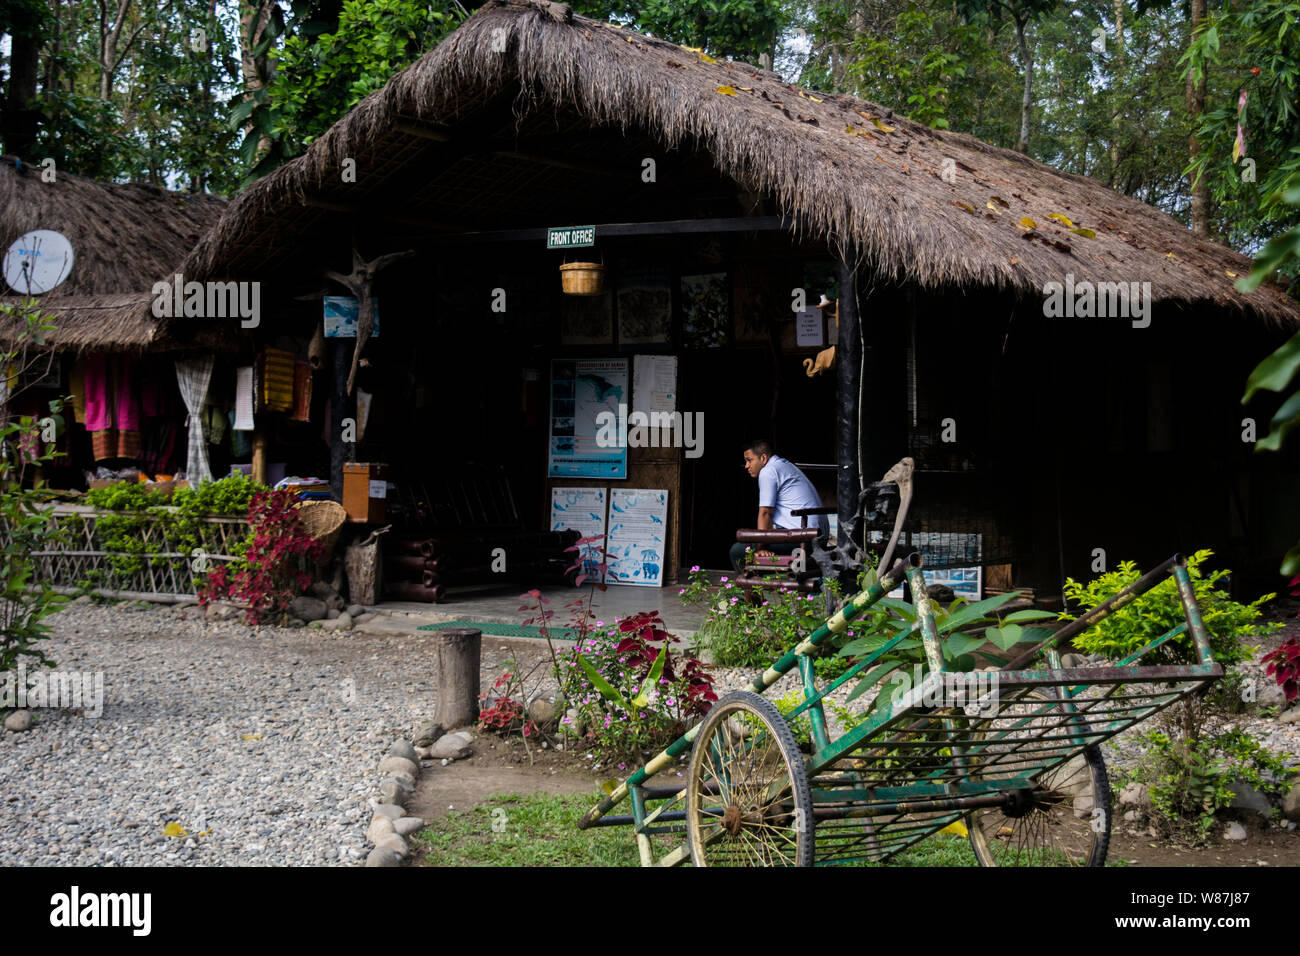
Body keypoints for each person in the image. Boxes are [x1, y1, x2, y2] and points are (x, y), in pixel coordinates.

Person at [729, 439, 828, 572]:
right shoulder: (784, 465)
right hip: (817, 539)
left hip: (803, 542)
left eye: (749, 460)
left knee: (738, 551)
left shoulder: (768, 471)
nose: (746, 465)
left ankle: (758, 590)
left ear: (763, 458)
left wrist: (762, 548)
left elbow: (765, 513)